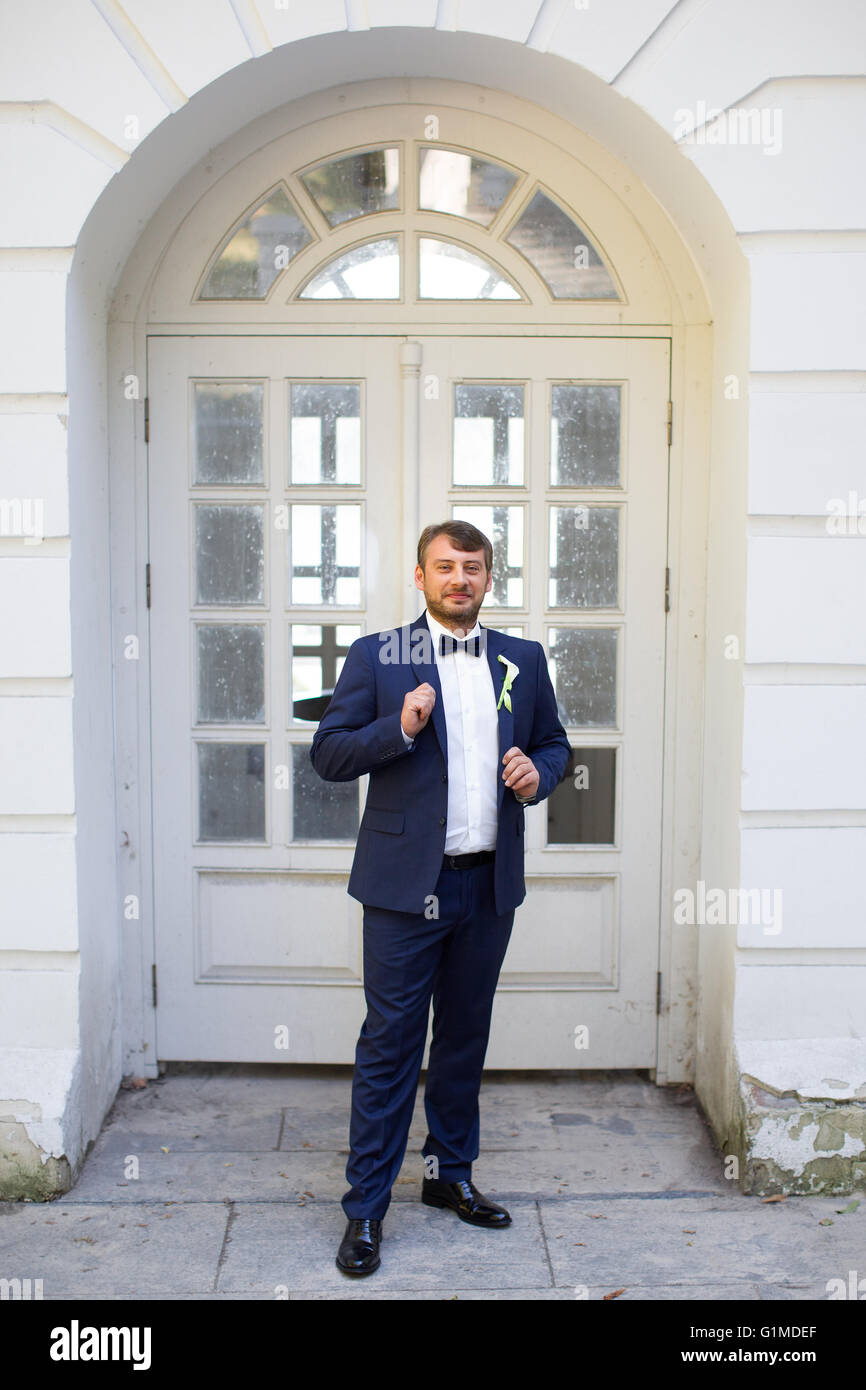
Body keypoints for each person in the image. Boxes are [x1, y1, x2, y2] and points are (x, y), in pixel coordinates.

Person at [310, 519, 570, 1276]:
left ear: (491, 580)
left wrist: (538, 775)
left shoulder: (522, 658)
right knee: (389, 1047)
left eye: (474, 568)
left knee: (463, 1038)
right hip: (401, 891)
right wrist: (398, 727)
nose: (460, 579)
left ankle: (448, 1175)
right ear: (420, 578)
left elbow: (555, 743)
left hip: (486, 886)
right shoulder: (378, 655)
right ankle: (365, 1211)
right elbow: (329, 752)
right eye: (445, 567)